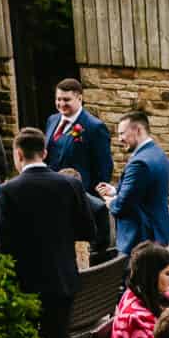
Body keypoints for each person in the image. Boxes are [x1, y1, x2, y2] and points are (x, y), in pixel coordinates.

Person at [0, 126, 98, 338]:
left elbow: (4, 246)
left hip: (25, 282)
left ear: (18, 155)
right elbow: (88, 230)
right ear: (45, 152)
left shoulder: (9, 190)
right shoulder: (69, 185)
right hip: (60, 280)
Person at [45, 79, 114, 254]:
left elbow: (104, 166)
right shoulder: (52, 120)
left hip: (80, 194)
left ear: (79, 98)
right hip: (53, 191)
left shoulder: (94, 127)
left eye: (66, 100)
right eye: (58, 99)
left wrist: (95, 198)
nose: (61, 104)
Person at [96, 110, 169, 258]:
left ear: (137, 130)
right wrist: (115, 190)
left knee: (135, 279)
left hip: (140, 235)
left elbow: (123, 205)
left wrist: (110, 201)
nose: (119, 139)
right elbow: (143, 190)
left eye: (122, 133)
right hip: (157, 228)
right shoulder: (157, 152)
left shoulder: (139, 163)